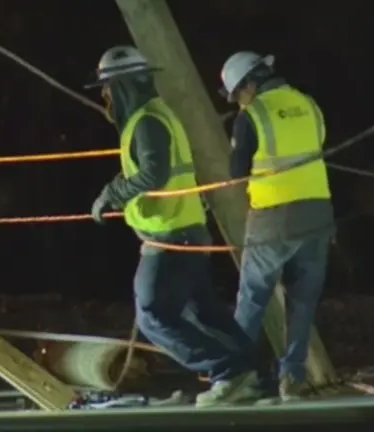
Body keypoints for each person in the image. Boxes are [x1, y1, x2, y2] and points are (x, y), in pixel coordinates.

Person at [86, 46, 259, 407]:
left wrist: (112, 194)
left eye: (108, 88)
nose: (105, 96)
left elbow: (154, 173)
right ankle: (257, 376)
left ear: (122, 87)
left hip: (171, 235)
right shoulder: (154, 115)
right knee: (206, 312)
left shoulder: (147, 120)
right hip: (185, 228)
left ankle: (229, 372)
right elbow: (150, 168)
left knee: (153, 315)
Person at [220, 51, 334, 401]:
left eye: (237, 94)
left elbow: (236, 173)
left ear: (249, 85)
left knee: (253, 298)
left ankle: (233, 377)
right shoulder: (309, 105)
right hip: (318, 216)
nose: (238, 101)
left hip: (273, 218)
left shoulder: (252, 115)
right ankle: (292, 381)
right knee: (302, 304)